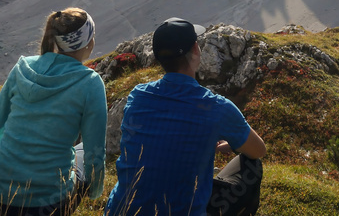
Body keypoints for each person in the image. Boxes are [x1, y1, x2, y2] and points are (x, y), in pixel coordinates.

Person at [105, 18, 266, 216]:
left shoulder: (138, 96)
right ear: (196, 50)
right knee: (252, 166)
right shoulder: (215, 107)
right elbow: (258, 150)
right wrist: (233, 143)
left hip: (122, 211)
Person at [0, 8, 108, 216]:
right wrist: (94, 192)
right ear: (89, 42)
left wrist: (2, 174)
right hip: (48, 202)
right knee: (83, 151)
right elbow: (95, 153)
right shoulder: (90, 83)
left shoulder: (22, 67)